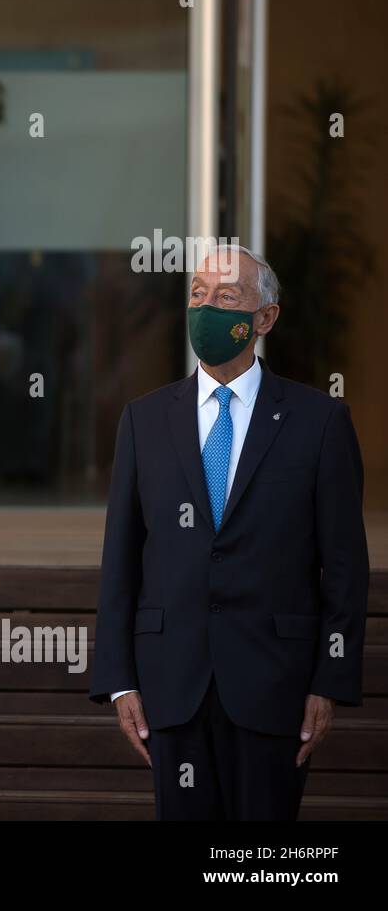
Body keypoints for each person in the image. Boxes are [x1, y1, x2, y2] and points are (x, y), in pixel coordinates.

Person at [90, 244, 369, 820]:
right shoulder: (144, 420)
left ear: (263, 318)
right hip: (172, 686)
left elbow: (344, 566)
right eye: (197, 294)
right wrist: (119, 681)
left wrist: (329, 683)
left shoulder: (319, 421)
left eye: (226, 297)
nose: (206, 308)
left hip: (276, 689)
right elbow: (121, 561)